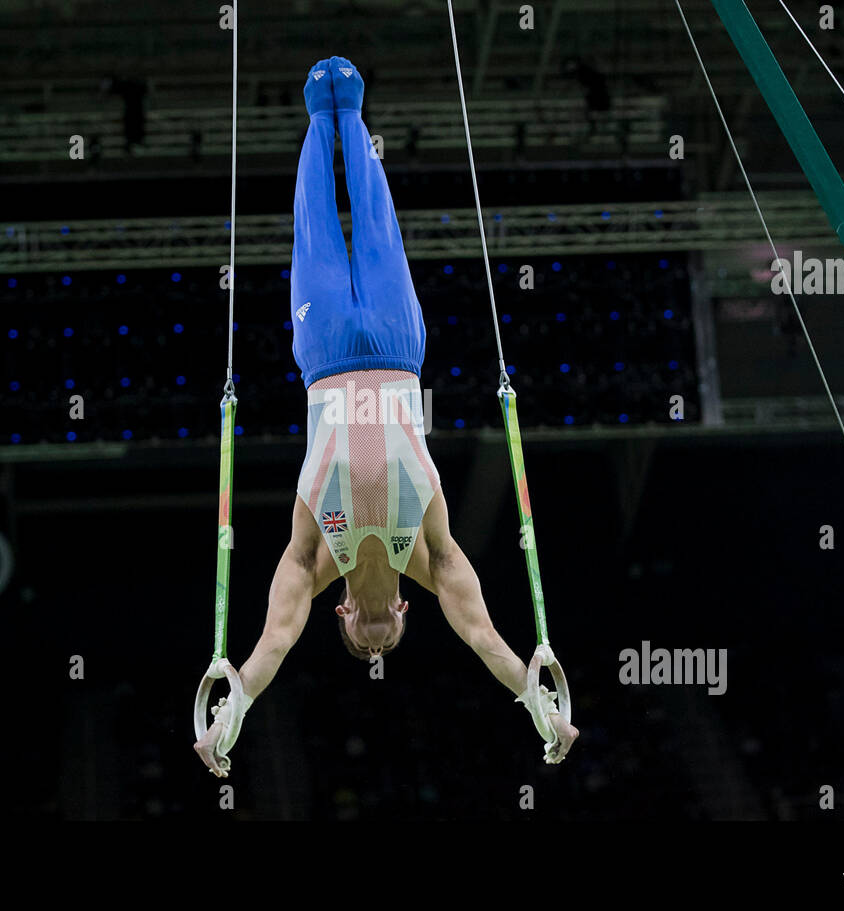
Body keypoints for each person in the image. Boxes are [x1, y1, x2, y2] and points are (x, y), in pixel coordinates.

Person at [194, 57, 578, 776]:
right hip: (401, 349)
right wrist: (540, 705)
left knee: (314, 223)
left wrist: (229, 712)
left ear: (339, 611)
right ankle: (355, 106)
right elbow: (487, 638)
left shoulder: (312, 560)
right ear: (406, 612)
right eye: (385, 643)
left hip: (326, 353)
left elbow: (272, 643)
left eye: (360, 643)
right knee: (376, 221)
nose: (373, 642)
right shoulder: (433, 555)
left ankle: (322, 110)